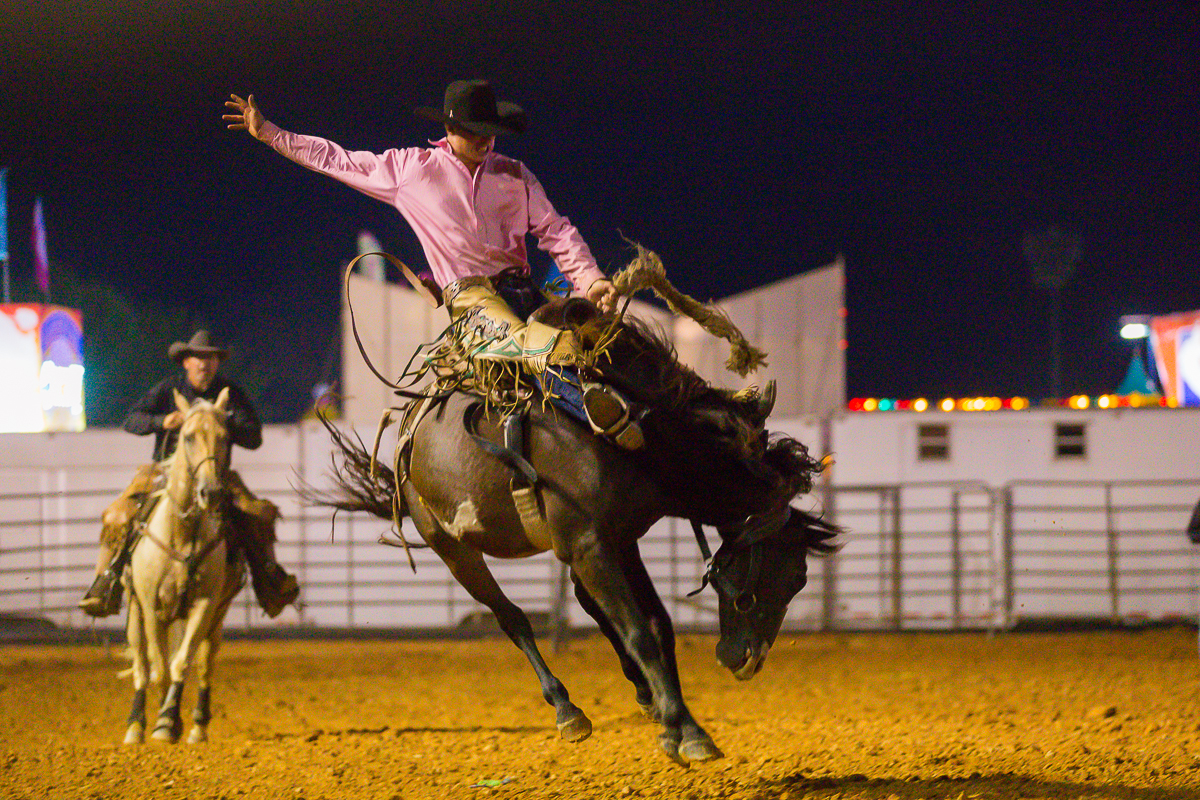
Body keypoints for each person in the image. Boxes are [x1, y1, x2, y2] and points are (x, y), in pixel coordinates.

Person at [223, 79, 643, 448]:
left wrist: (591, 280)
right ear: (449, 129)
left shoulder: (515, 174)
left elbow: (556, 231)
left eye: (490, 133)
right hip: (472, 301)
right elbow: (339, 159)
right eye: (475, 132)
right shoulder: (411, 169)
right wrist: (272, 134)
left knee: (602, 335)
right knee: (537, 347)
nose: (485, 142)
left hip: (524, 291)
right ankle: (601, 415)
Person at [79, 331, 300, 618]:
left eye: (211, 358)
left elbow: (253, 437)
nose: (204, 364)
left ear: (217, 363)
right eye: (198, 357)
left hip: (216, 475)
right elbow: (132, 420)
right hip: (161, 471)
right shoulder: (168, 389)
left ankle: (270, 581)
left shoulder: (231, 394)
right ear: (186, 361)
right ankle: (104, 583)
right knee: (118, 516)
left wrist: (221, 424)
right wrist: (162, 421)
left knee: (258, 515)